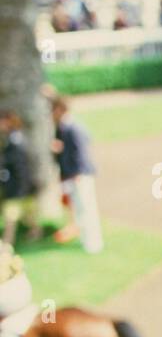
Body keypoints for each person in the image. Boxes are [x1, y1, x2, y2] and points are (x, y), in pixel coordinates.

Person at [50, 96, 103, 253]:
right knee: (79, 209)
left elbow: (81, 152)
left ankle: (94, 243)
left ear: (60, 110)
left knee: (87, 209)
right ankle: (85, 239)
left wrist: (77, 172)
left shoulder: (73, 128)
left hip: (79, 175)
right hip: (71, 175)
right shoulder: (63, 128)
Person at [0, 110, 38, 245]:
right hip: (21, 186)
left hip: (18, 186)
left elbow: (20, 166)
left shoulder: (15, 140)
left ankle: (7, 242)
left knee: (10, 217)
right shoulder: (13, 138)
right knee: (28, 215)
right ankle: (34, 233)